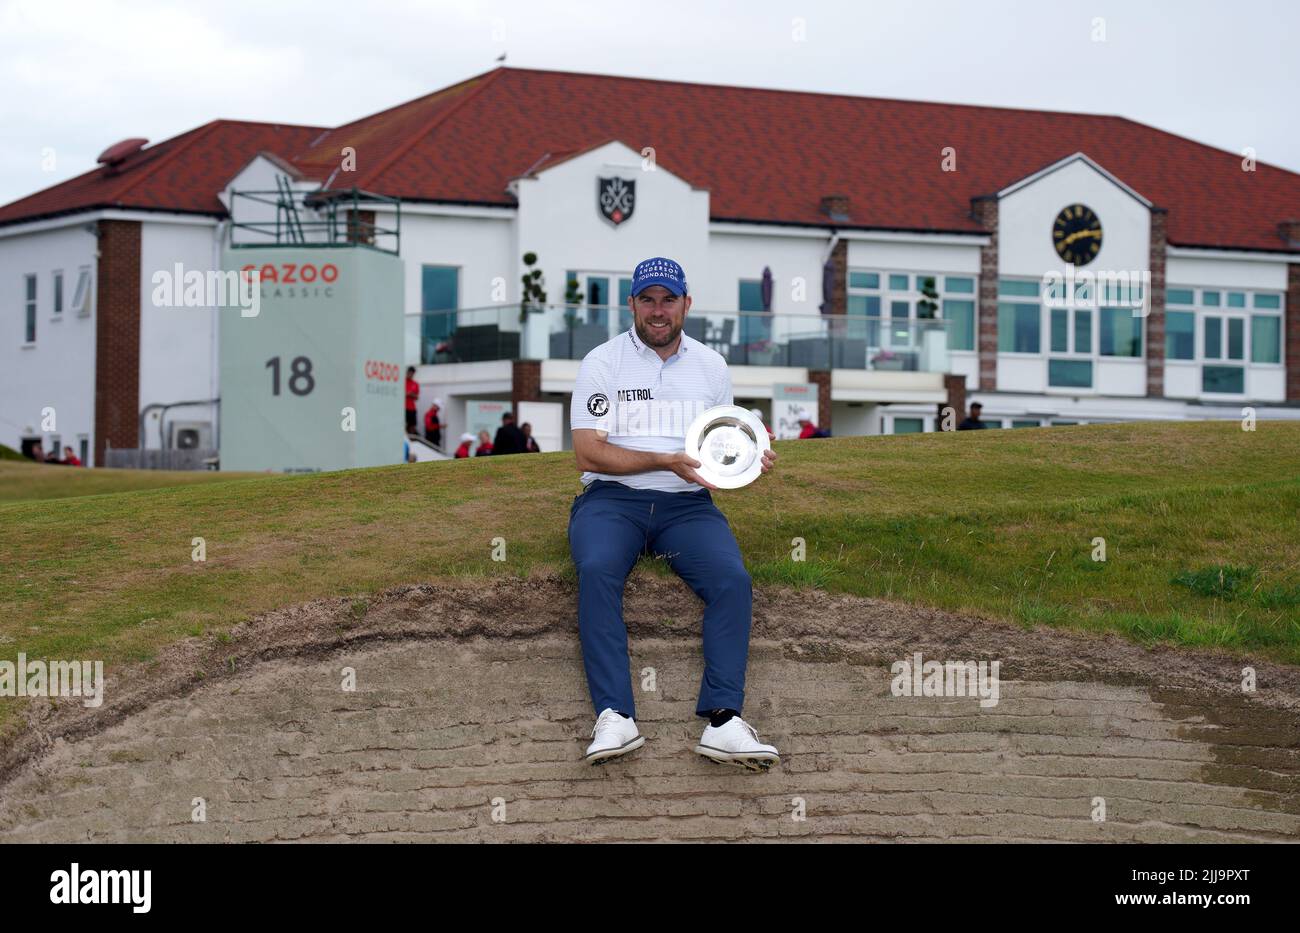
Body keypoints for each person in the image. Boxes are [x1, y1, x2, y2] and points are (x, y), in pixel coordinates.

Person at [569, 255, 780, 771]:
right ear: (632, 305)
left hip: (686, 506)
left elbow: (718, 446)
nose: (658, 311)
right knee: (597, 571)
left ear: (686, 303)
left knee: (732, 579)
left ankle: (724, 721)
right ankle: (616, 715)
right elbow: (588, 452)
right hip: (611, 500)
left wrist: (749, 459)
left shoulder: (712, 366)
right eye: (648, 300)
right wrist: (661, 459)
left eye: (668, 300)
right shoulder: (602, 362)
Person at [404, 366, 419, 434]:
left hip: (412, 408)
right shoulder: (402, 382)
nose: (411, 375)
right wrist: (408, 394)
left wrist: (411, 395)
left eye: (412, 373)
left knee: (412, 425)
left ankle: (411, 440)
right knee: (404, 425)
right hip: (404, 407)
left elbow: (417, 397)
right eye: (409, 373)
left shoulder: (415, 384)